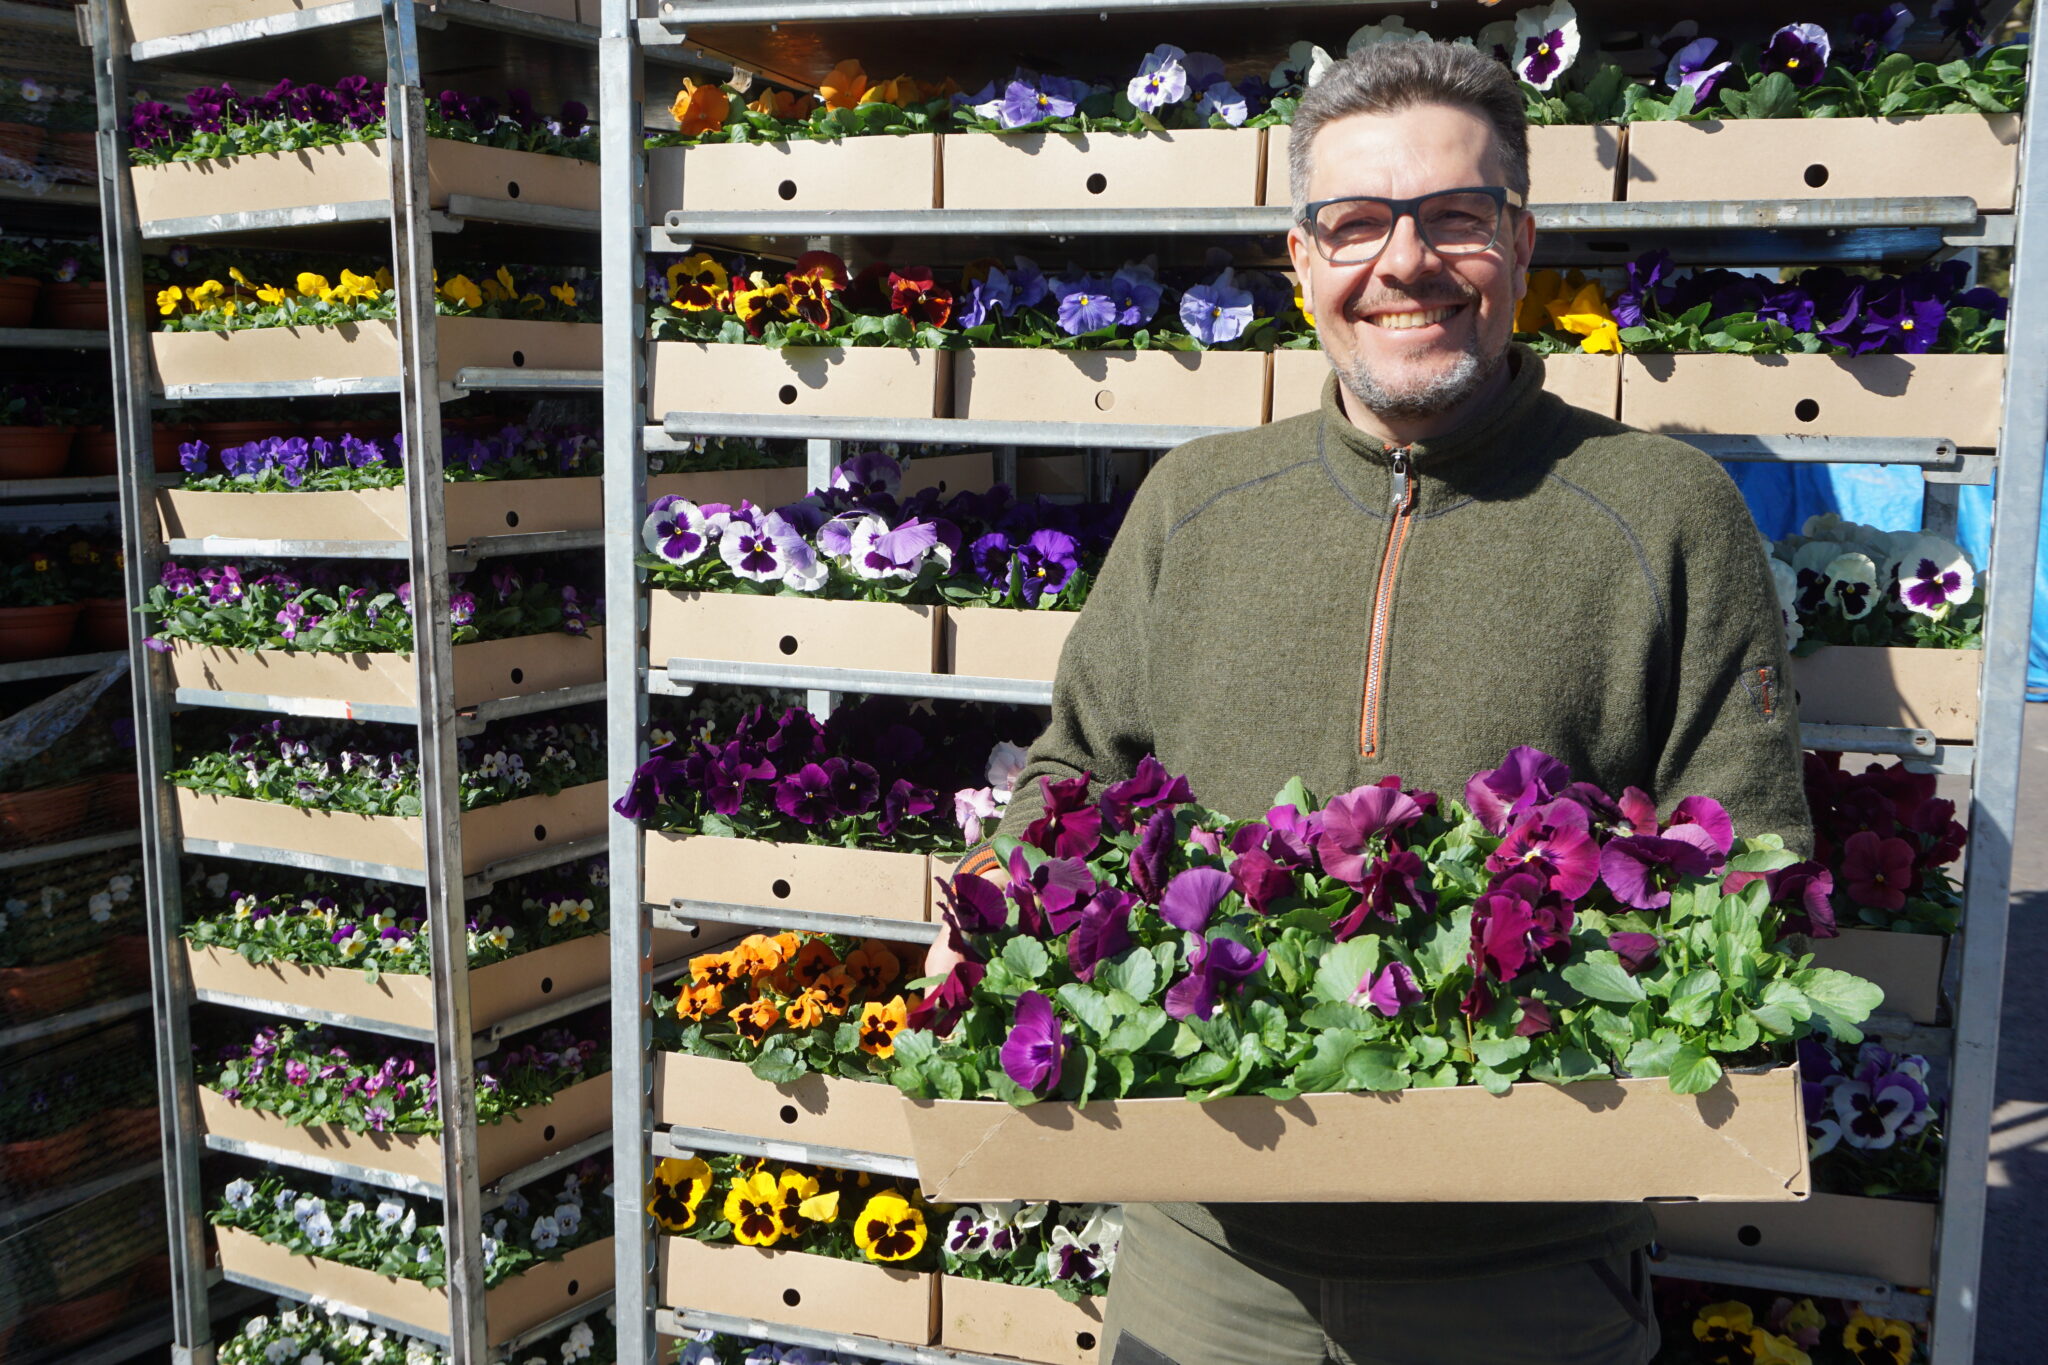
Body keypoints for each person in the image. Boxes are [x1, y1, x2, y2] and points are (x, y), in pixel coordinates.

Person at [934, 38, 1809, 1365]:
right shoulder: (1196, 505)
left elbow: (1750, 848)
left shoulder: (1664, 513)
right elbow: (1077, 765)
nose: (1401, 264)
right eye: (1353, 223)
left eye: (1453, 218)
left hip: (1525, 1276)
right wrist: (994, 887)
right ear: (1300, 263)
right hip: (1212, 1262)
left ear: (1522, 242)